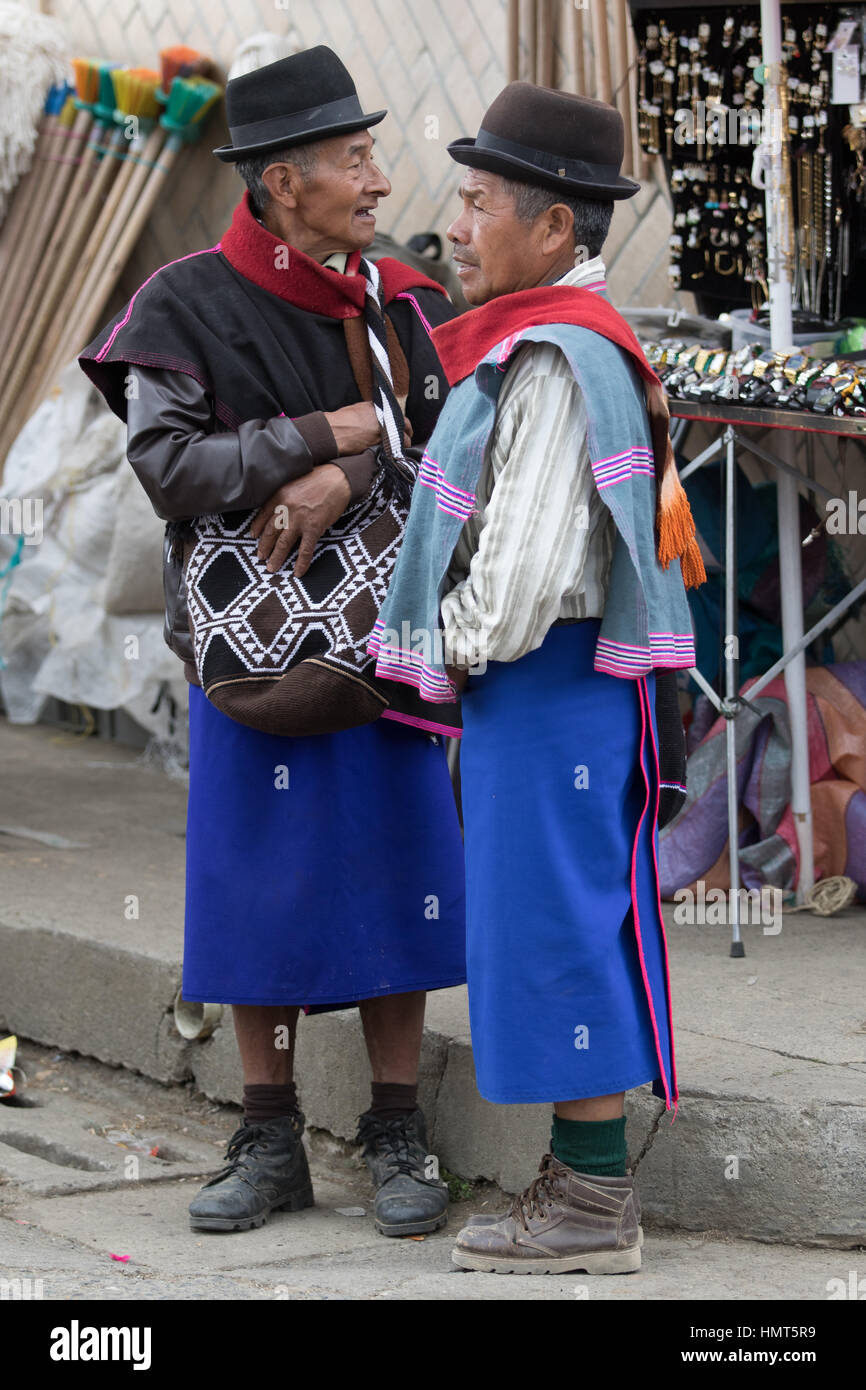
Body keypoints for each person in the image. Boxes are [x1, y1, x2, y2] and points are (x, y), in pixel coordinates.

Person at [79, 46, 466, 1239]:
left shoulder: (401, 297)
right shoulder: (182, 303)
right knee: (258, 884)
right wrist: (308, 431)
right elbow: (167, 470)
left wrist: (340, 473)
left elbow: (452, 450)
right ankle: (268, 1132)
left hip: (379, 641)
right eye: (352, 159)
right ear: (281, 183)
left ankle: (396, 1127)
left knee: (398, 867)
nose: (376, 178)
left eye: (368, 152)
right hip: (250, 659)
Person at [371, 82, 705, 1274]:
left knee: (554, 921)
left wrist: (425, 636)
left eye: (474, 203)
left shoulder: (558, 362)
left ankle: (590, 1201)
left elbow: (516, 585)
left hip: (542, 677)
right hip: (546, 687)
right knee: (543, 917)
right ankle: (578, 1187)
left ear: (552, 228)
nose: (453, 227)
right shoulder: (545, 343)